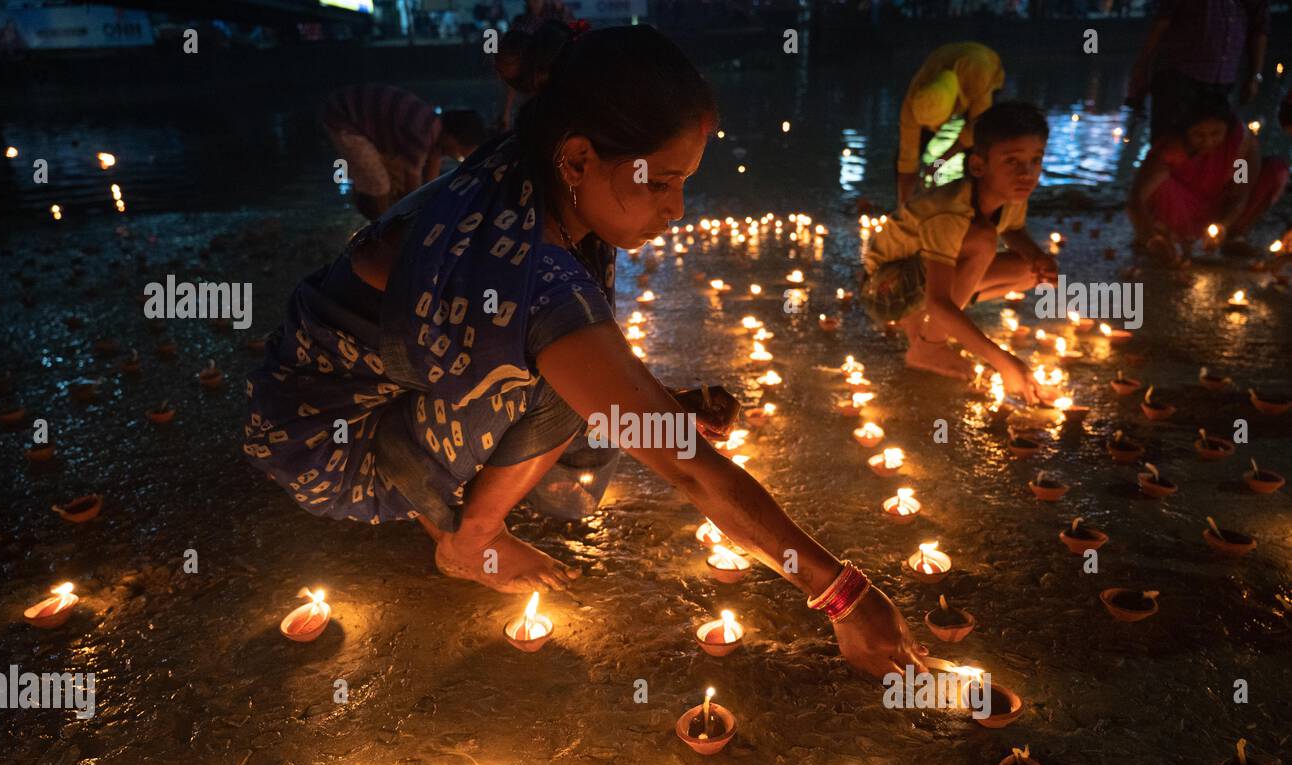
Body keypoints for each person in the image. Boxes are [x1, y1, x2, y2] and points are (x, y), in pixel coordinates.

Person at [244, 24, 923, 680]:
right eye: (660, 182)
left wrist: (661, 406)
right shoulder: (528, 278)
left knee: (584, 380)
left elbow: (594, 373)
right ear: (577, 158)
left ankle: (469, 505)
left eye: (684, 182)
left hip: (327, 391)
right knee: (560, 380)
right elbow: (692, 473)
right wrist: (844, 595)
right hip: (330, 445)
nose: (677, 209)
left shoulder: (520, 169)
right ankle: (468, 540)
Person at [862, 101, 1056, 405]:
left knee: (1027, 271)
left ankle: (924, 323)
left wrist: (1037, 256)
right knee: (981, 241)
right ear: (979, 166)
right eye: (1012, 161)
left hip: (920, 277)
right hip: (885, 289)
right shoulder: (950, 211)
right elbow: (940, 302)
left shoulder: (1012, 193)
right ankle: (930, 346)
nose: (1026, 172)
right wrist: (1003, 361)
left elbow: (1012, 229)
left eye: (1035, 160)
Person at [1128, 97, 1288, 261]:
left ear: (1227, 129)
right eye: (1199, 135)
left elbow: (1241, 190)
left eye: (1216, 133)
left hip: (1221, 206)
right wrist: (1150, 238)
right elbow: (1137, 199)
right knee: (1159, 186)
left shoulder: (1240, 145)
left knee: (1275, 172)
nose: (1208, 142)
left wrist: (1223, 225)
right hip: (1182, 210)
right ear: (1185, 131)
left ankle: (1234, 237)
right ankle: (1166, 237)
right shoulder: (1172, 150)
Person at [322, 84, 486, 221]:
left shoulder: (433, 130)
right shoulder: (422, 135)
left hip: (360, 118)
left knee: (393, 182)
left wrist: (433, 204)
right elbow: (413, 190)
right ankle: (382, 227)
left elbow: (430, 181)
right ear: (452, 138)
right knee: (379, 183)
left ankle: (377, 211)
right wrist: (415, 220)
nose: (454, 157)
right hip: (344, 118)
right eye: (459, 154)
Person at [1126, 0, 1269, 144]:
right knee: (1169, 144)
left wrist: (1255, 76)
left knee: (1211, 146)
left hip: (1222, 80)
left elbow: (1259, 28)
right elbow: (1163, 20)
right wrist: (1142, 66)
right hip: (1179, 76)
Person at [895, 42, 1005, 207]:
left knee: (979, 152)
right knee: (904, 155)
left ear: (954, 107)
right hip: (943, 60)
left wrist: (939, 162)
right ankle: (909, 205)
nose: (935, 131)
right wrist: (903, 207)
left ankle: (976, 207)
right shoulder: (912, 104)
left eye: (937, 126)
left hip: (985, 69)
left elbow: (973, 133)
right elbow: (906, 161)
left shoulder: (978, 77)